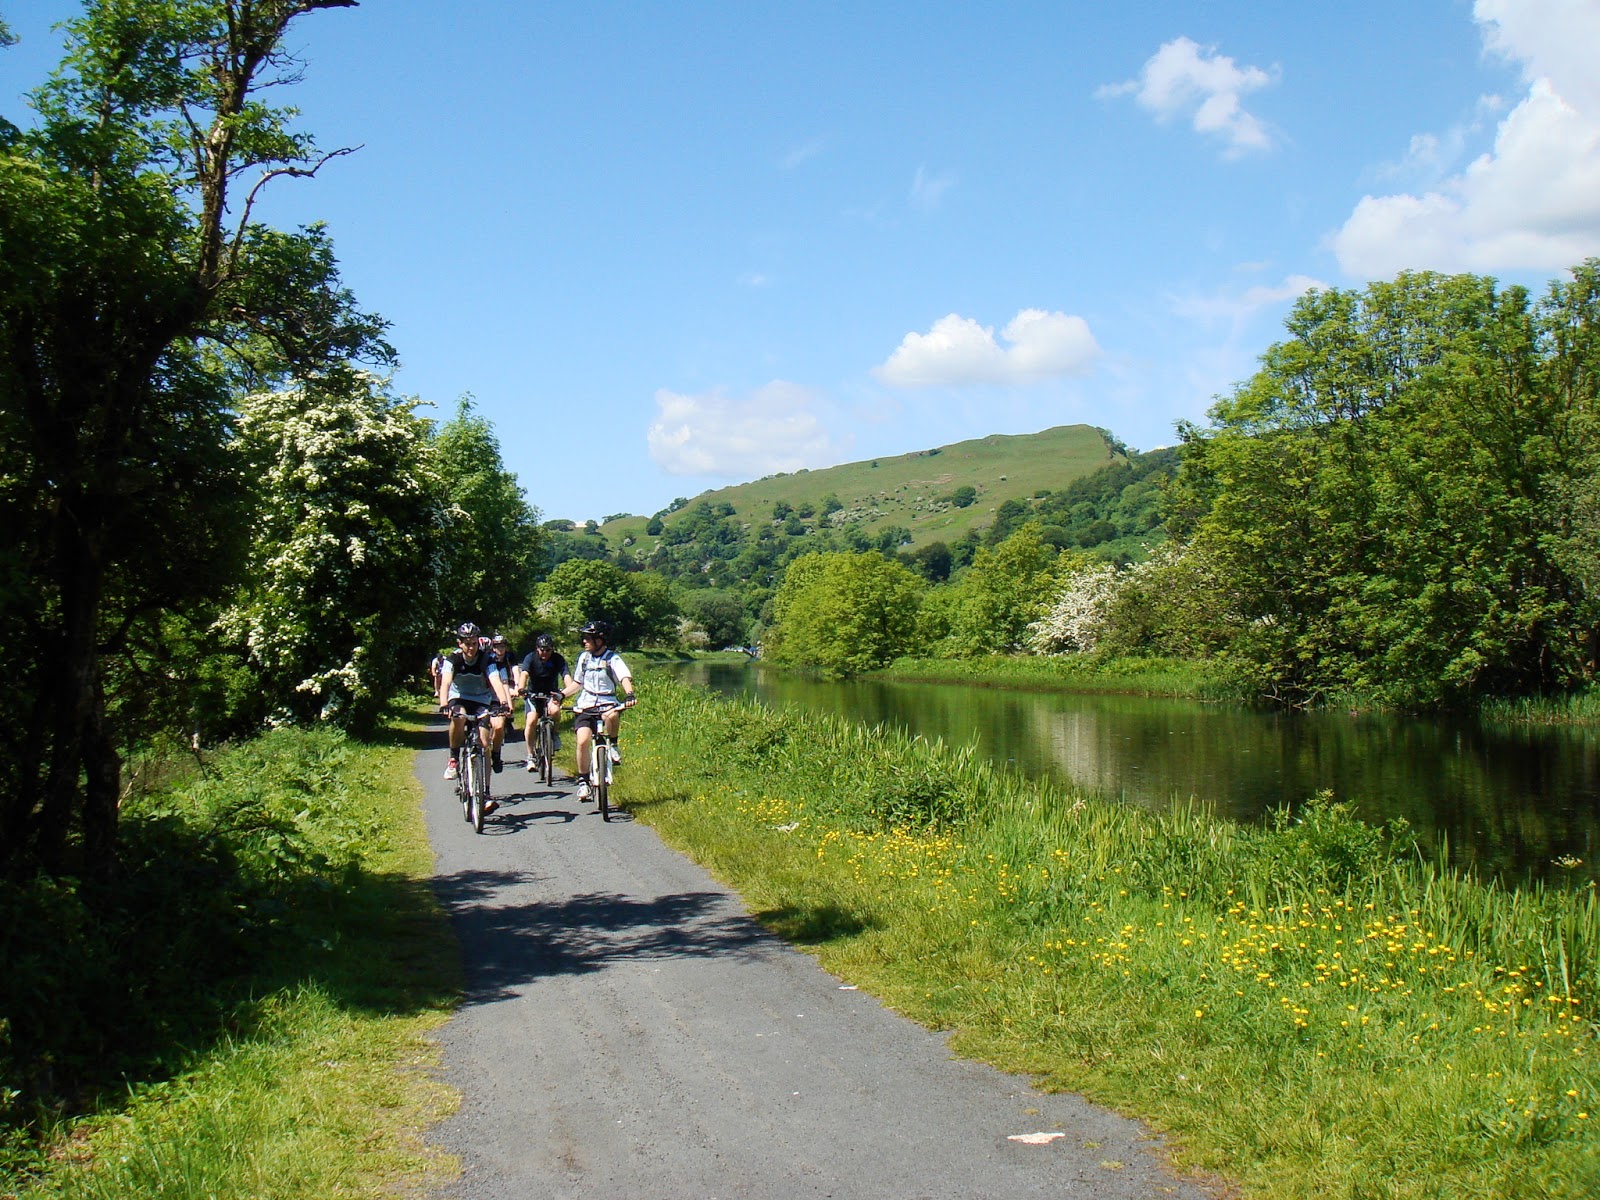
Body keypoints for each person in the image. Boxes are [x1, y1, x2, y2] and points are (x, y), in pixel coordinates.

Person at [560, 619, 636, 802]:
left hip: (606, 700)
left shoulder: (612, 659)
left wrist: (629, 694)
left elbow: (624, 677)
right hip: (586, 703)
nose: (584, 642)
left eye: (588, 638)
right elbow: (577, 684)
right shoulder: (583, 658)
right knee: (583, 740)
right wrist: (561, 695)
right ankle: (583, 782)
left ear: (599, 640)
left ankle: (614, 744)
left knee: (612, 714)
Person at [437, 621, 515, 798]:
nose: (471, 647)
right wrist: (443, 704)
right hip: (459, 696)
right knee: (459, 717)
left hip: (481, 699)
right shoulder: (453, 659)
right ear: (460, 643)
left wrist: (503, 703)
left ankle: (485, 791)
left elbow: (496, 681)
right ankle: (454, 759)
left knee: (485, 744)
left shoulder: (486, 660)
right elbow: (446, 682)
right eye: (467, 643)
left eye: (474, 643)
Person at [515, 632, 570, 772]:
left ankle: (555, 734)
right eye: (542, 650)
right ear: (537, 649)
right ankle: (530, 755)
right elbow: (524, 674)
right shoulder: (530, 658)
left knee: (555, 711)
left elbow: (566, 676)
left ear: (552, 649)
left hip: (551, 693)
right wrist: (521, 688)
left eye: (548, 650)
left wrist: (567, 691)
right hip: (533, 694)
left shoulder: (558, 659)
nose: (545, 653)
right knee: (531, 720)